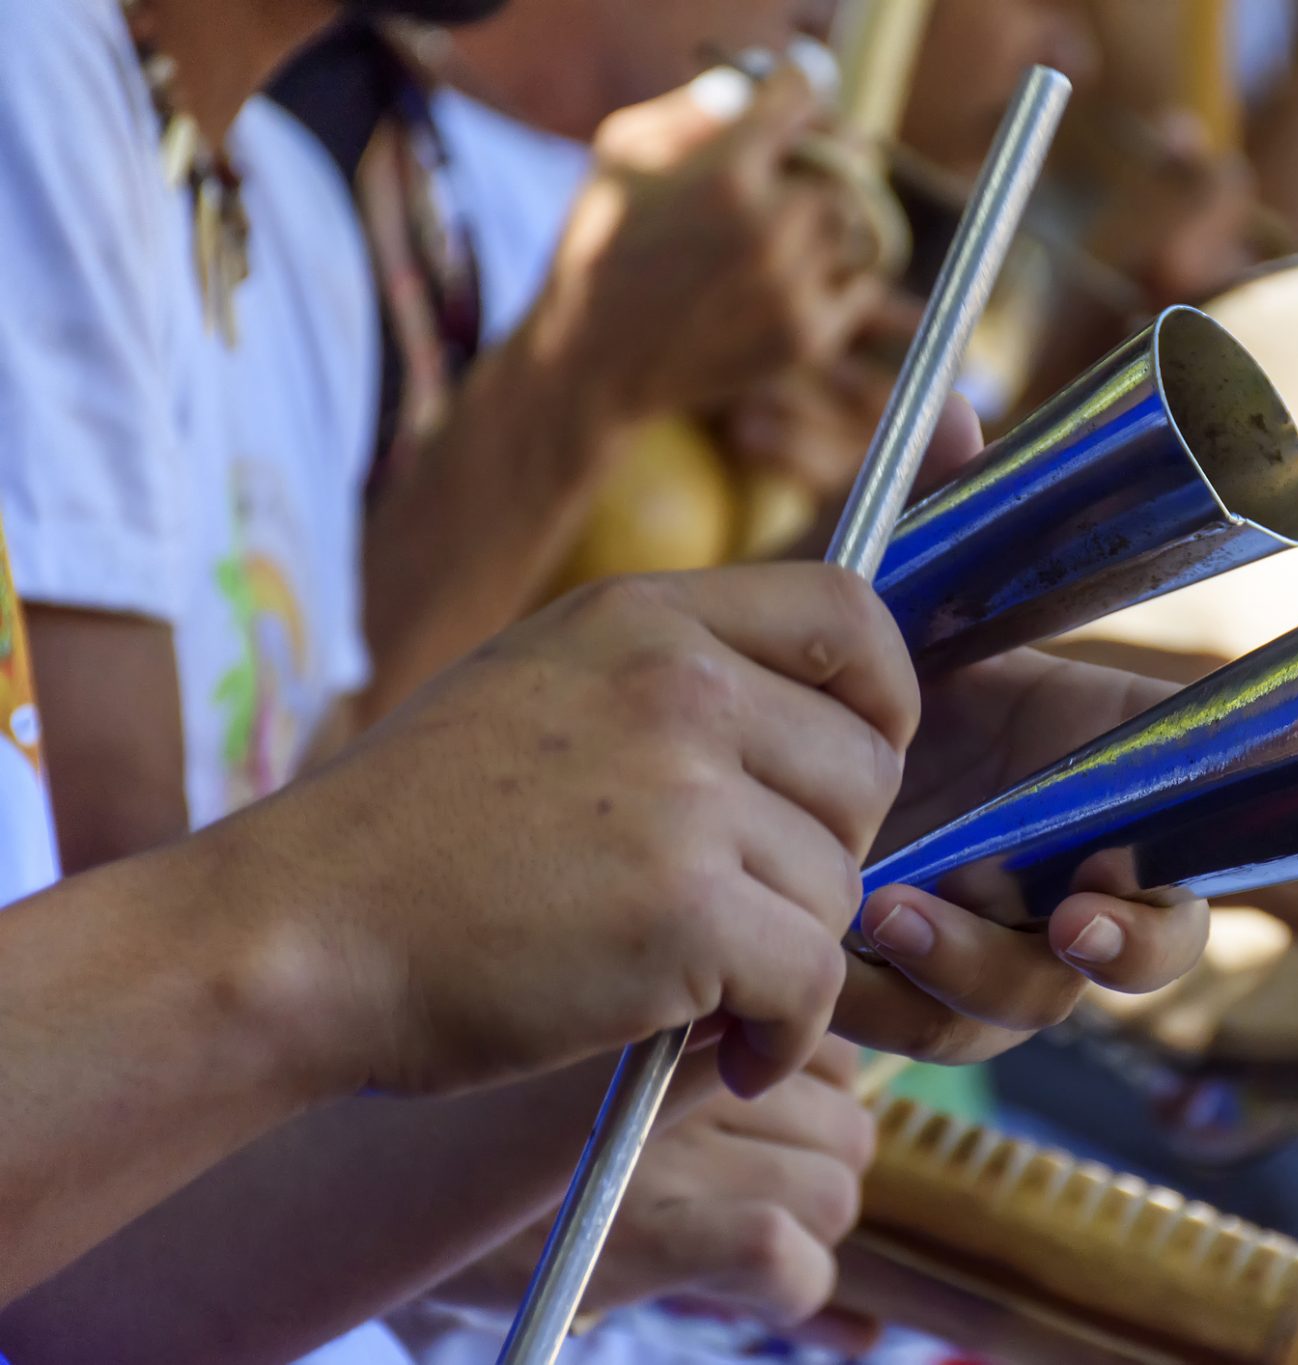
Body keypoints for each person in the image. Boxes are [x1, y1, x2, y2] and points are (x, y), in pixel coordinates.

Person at [0, 1, 1214, 1359]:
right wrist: (587, 384)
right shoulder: (35, 80)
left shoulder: (285, 209)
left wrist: (790, 849)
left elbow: (102, 1240)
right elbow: (199, 956)